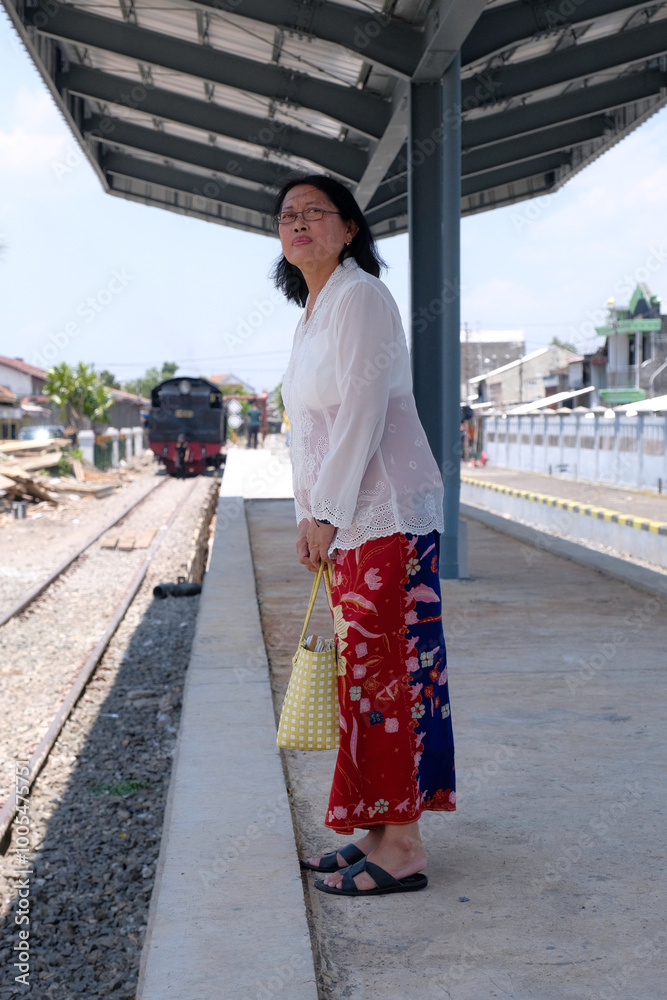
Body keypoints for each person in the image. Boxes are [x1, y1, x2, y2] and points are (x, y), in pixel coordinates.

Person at [275, 174, 455, 897]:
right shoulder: (312, 313)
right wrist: (305, 512)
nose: (297, 224)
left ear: (349, 228)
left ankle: (403, 846)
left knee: (391, 678)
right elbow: (304, 431)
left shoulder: (361, 298)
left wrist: (328, 511)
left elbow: (361, 415)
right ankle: (376, 829)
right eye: (287, 215)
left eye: (315, 212)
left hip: (385, 513)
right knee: (363, 681)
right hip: (347, 518)